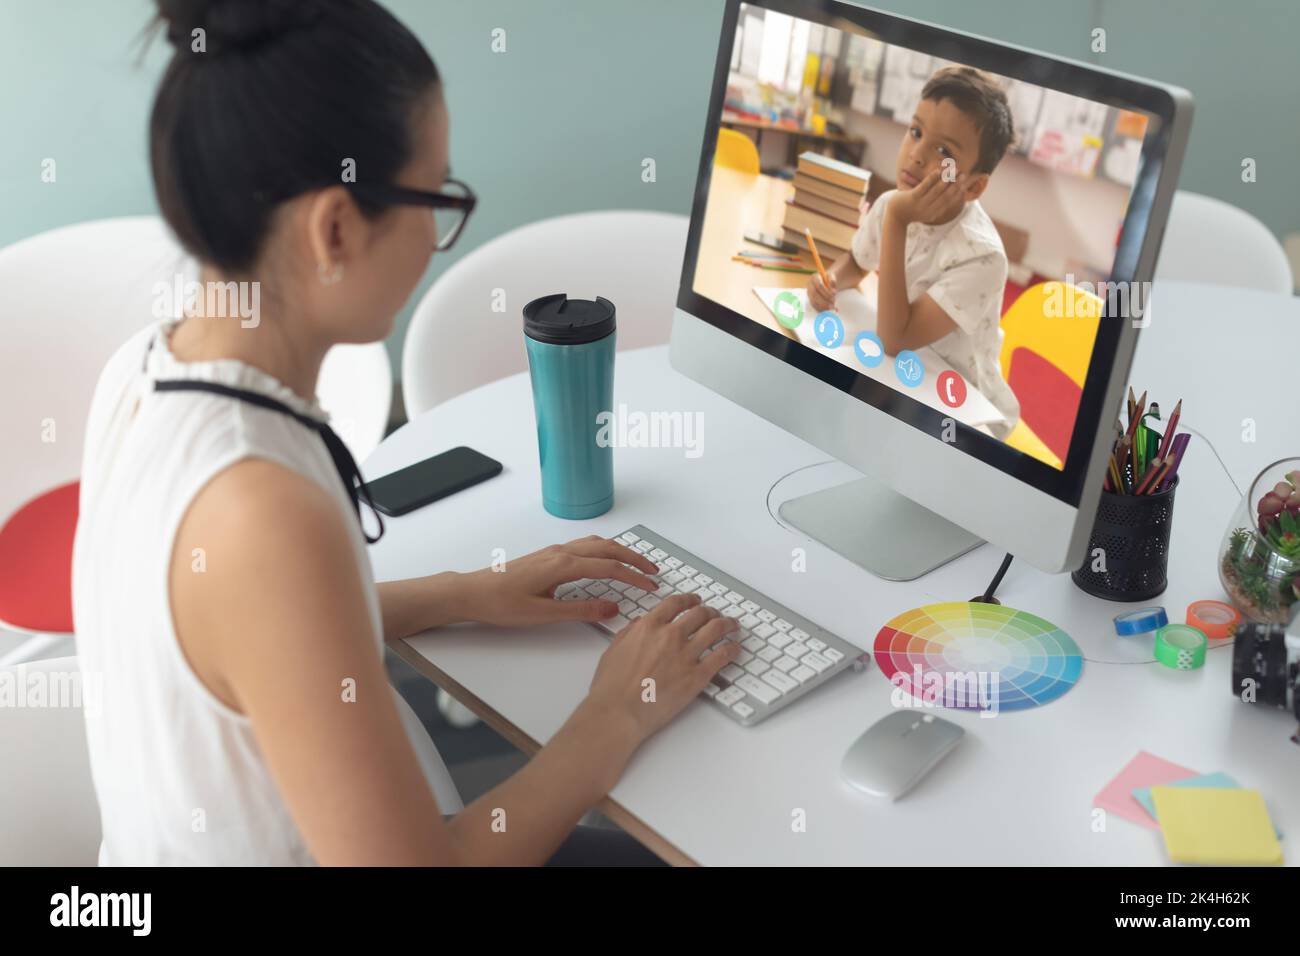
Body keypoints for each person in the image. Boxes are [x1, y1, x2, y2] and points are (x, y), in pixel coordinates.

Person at [71, 0, 739, 866]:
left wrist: (466, 592)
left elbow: (250, 635)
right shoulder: (260, 510)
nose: (436, 238)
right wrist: (617, 711)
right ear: (337, 226)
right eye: (436, 197)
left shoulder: (140, 372)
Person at [808, 66, 1020, 436]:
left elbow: (895, 338)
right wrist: (830, 280)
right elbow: (857, 263)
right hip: (904, 372)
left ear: (973, 187)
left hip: (960, 405)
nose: (917, 154)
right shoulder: (894, 204)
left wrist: (897, 220)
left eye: (943, 150)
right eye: (916, 132)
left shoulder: (983, 256)